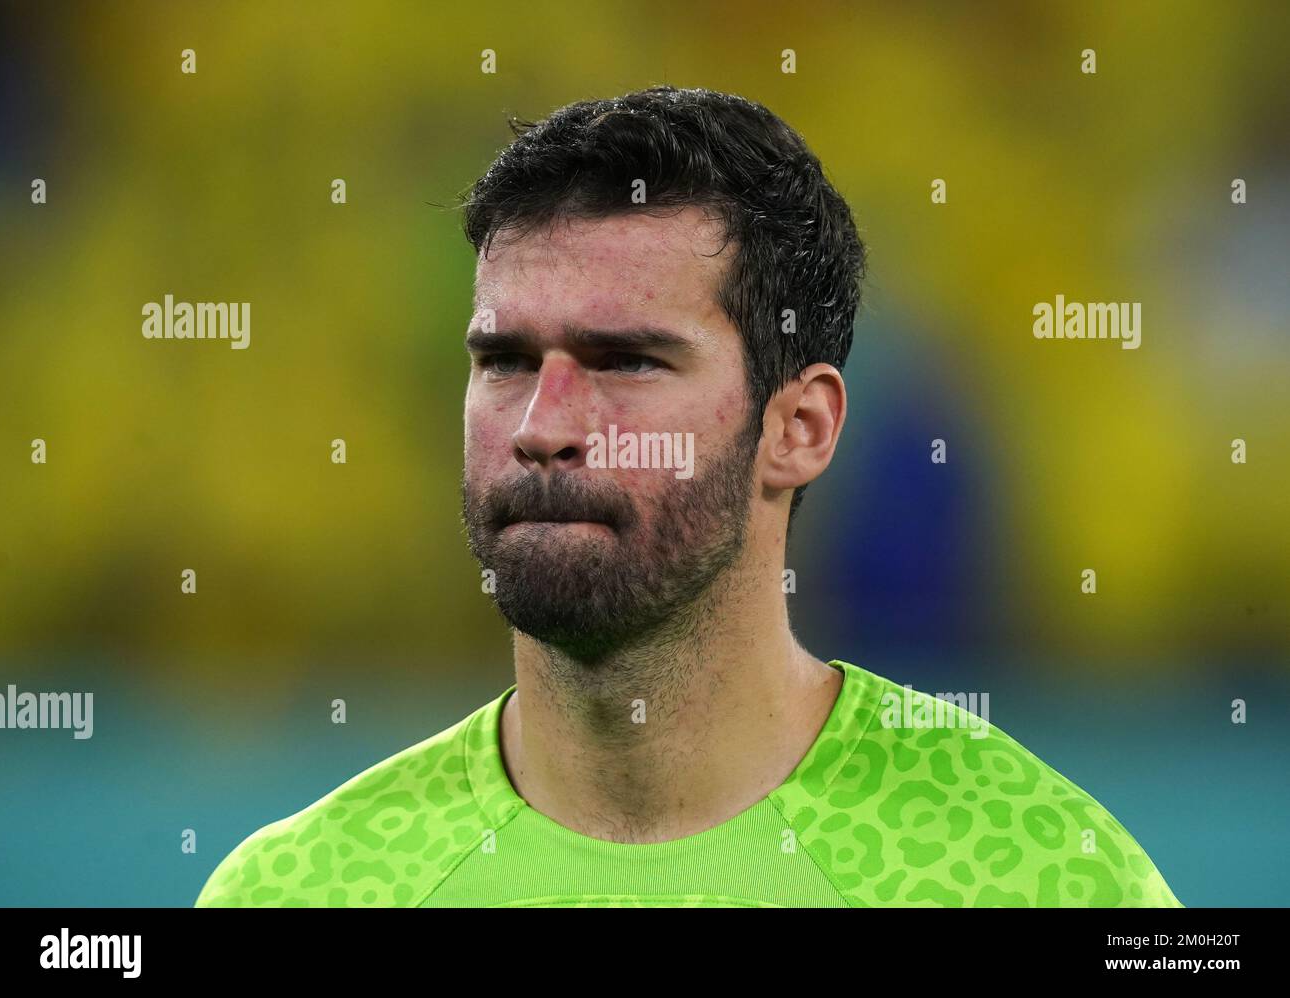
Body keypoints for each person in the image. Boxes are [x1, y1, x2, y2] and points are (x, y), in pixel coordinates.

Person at [196, 85, 1182, 907]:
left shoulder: (1042, 876)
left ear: (799, 428)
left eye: (624, 359)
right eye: (502, 359)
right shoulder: (299, 891)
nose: (542, 425)